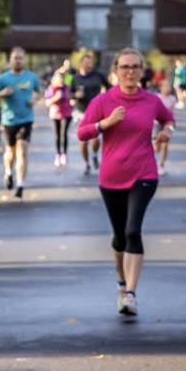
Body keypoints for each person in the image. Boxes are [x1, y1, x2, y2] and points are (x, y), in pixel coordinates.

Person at [77, 48, 175, 316]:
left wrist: (167, 131)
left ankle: (131, 293)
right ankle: (122, 283)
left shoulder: (151, 100)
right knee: (119, 236)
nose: (130, 72)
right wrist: (105, 123)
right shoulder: (103, 101)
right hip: (111, 177)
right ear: (115, 71)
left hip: (144, 174)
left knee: (133, 231)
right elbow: (82, 132)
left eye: (135, 67)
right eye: (124, 67)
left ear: (142, 71)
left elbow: (169, 119)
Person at [0, 46, 41, 198]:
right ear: (10, 60)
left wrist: (34, 99)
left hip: (26, 119)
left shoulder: (31, 77)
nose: (18, 60)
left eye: (20, 58)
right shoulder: (3, 79)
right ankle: (9, 173)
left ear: (24, 60)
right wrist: (2, 93)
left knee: (22, 150)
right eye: (15, 58)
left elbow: (39, 92)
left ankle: (21, 184)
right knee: (10, 152)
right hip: (9, 120)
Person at [70, 52, 109, 176]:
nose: (89, 65)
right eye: (86, 62)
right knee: (83, 141)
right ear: (81, 64)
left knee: (96, 139)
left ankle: (95, 155)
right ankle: (87, 163)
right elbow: (69, 93)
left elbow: (110, 88)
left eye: (90, 63)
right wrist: (75, 95)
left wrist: (105, 97)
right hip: (81, 112)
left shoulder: (98, 75)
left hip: (97, 112)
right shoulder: (74, 78)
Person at [45, 69, 72, 168]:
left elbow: (70, 77)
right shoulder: (51, 88)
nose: (60, 80)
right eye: (58, 78)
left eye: (62, 78)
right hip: (55, 114)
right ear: (55, 79)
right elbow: (47, 103)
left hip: (67, 114)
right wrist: (55, 98)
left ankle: (64, 154)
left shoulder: (67, 87)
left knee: (64, 134)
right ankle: (58, 154)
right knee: (57, 135)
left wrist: (65, 68)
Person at [156, 79, 177, 175]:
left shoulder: (173, 99)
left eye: (169, 86)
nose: (167, 88)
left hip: (168, 124)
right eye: (165, 86)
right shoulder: (157, 98)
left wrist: (172, 124)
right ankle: (153, 163)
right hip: (156, 124)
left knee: (165, 145)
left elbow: (172, 114)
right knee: (157, 147)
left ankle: (161, 165)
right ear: (160, 88)